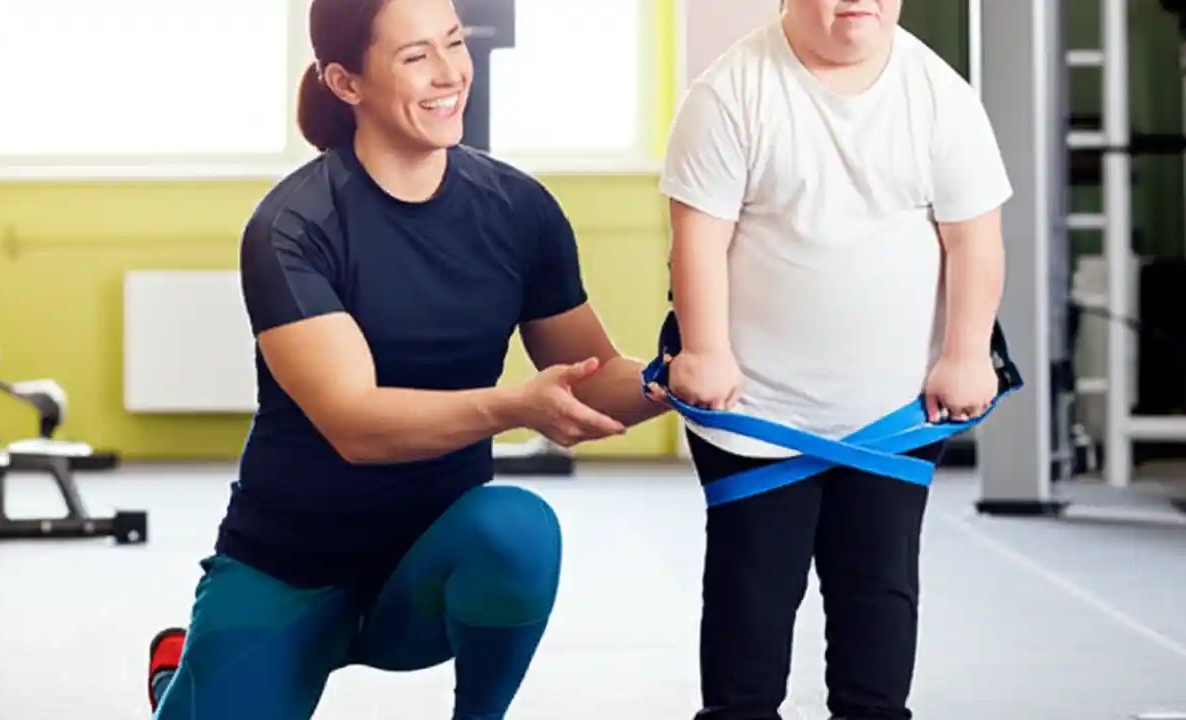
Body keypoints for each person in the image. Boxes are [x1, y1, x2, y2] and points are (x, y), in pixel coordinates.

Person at [143, 0, 666, 717]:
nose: (450, 72)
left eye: (453, 43)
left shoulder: (519, 209)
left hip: (427, 567)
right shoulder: (294, 225)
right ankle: (185, 675)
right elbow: (355, 424)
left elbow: (591, 378)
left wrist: (674, 375)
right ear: (345, 82)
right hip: (287, 566)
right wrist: (513, 405)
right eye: (416, 55)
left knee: (516, 527)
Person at [659, 1, 1011, 718]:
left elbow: (974, 239)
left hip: (890, 422)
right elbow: (698, 238)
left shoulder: (941, 98)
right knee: (747, 621)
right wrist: (705, 348)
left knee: (877, 612)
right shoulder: (731, 92)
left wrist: (968, 353)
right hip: (754, 421)